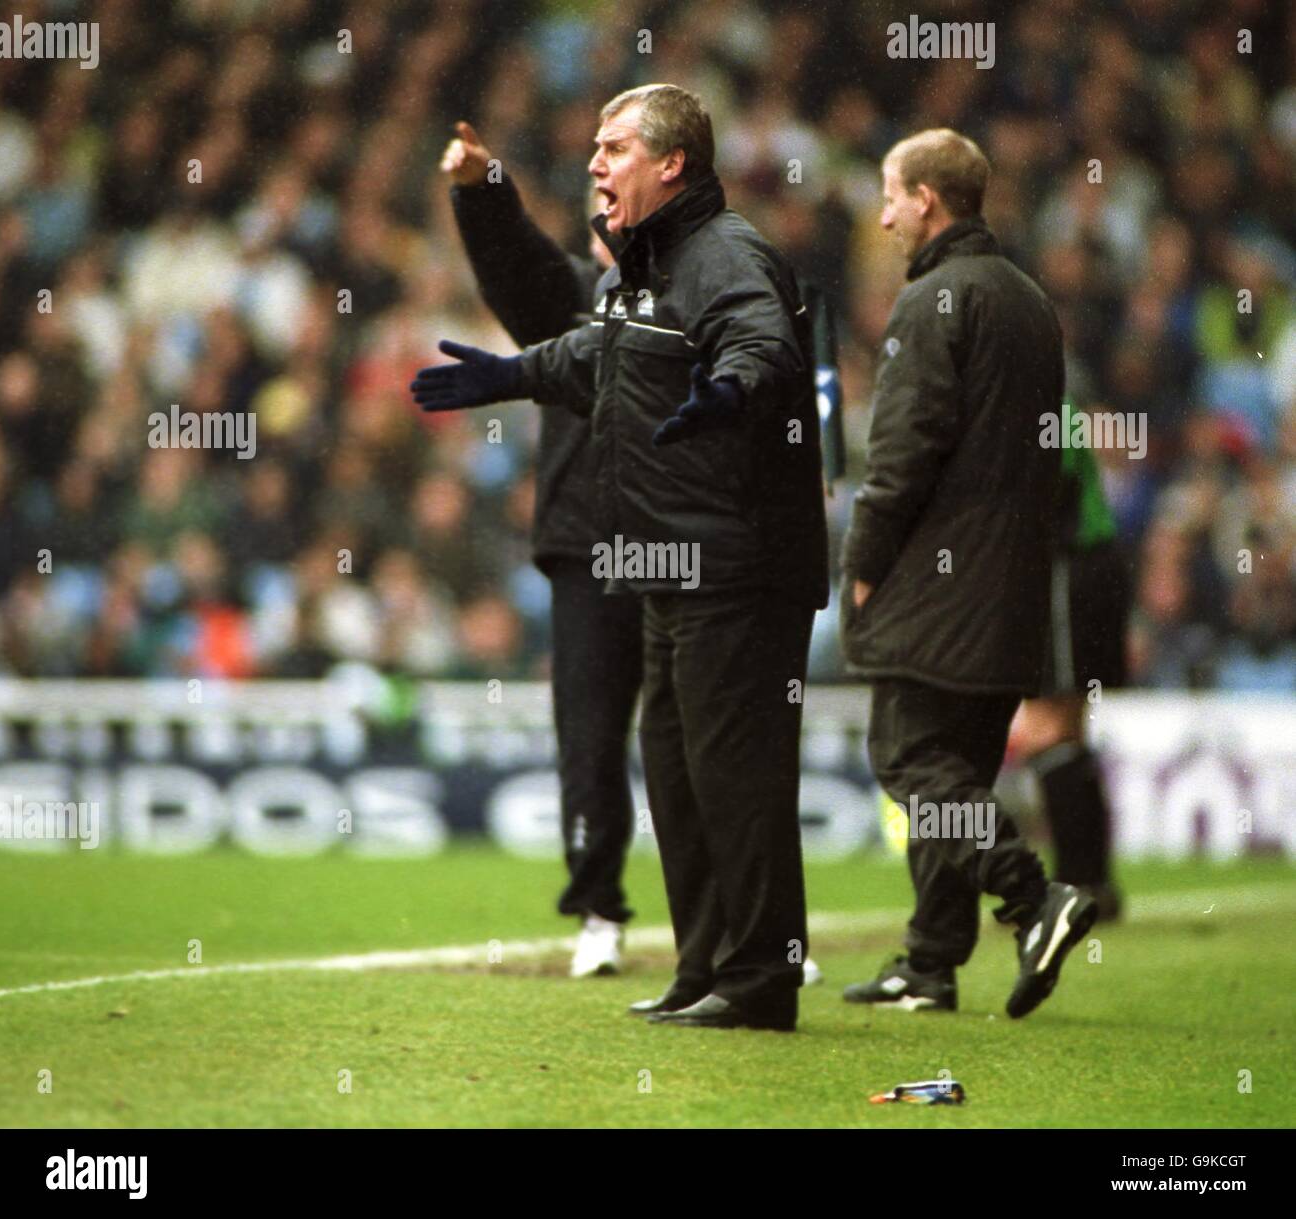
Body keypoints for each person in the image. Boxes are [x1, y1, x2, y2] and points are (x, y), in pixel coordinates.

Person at [413, 84, 829, 1031]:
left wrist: (733, 389)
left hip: (734, 565)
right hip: (667, 571)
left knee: (736, 777)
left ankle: (760, 977)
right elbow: (587, 356)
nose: (593, 163)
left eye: (613, 147)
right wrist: (508, 375)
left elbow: (762, 343)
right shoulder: (642, 273)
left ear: (670, 161)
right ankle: (704, 967)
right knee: (678, 776)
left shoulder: (723, 253)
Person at [838, 128, 1097, 1019]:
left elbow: (901, 455)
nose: (881, 215)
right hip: (1014, 590)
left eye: (890, 194)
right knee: (954, 773)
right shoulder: (1030, 302)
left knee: (907, 758)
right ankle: (930, 960)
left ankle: (1033, 895)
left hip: (939, 587)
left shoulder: (932, 300)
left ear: (928, 200)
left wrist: (865, 562)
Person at [442, 121, 641, 978]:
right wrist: (484, 192)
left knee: (702, 737)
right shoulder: (575, 301)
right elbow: (521, 267)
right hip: (589, 549)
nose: (605, 210)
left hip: (692, 548)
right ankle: (599, 908)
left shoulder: (709, 298)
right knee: (590, 736)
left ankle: (741, 914)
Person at [1010, 436, 1130, 921]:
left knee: (1045, 728)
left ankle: (1074, 888)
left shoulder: (1040, 402)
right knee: (1071, 729)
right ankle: (1094, 885)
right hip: (1088, 567)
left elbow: (1046, 492)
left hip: (1066, 571)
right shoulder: (1054, 397)